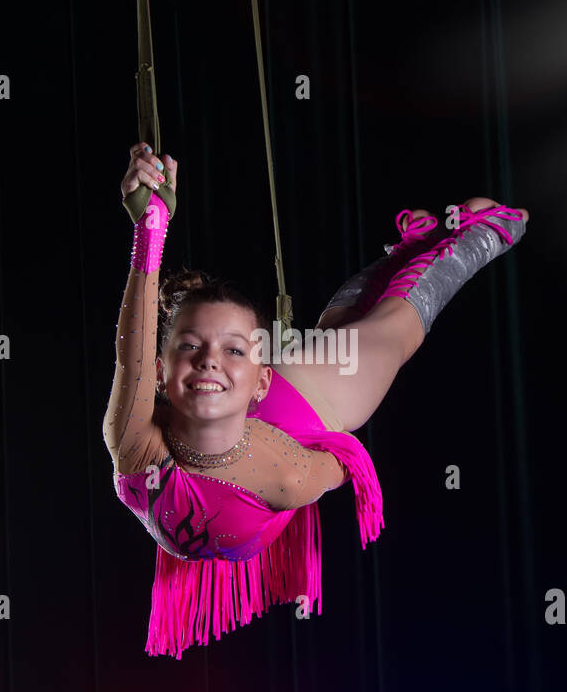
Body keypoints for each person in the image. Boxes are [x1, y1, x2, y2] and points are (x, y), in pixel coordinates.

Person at [104, 142, 528, 658]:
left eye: (231, 349)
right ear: (161, 372)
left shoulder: (278, 470)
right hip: (294, 413)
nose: (209, 360)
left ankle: (491, 231)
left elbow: (134, 352)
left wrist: (149, 228)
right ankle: (411, 251)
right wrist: (150, 227)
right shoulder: (148, 444)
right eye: (190, 347)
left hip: (306, 402)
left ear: (260, 378)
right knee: (341, 333)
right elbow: (133, 353)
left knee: (391, 332)